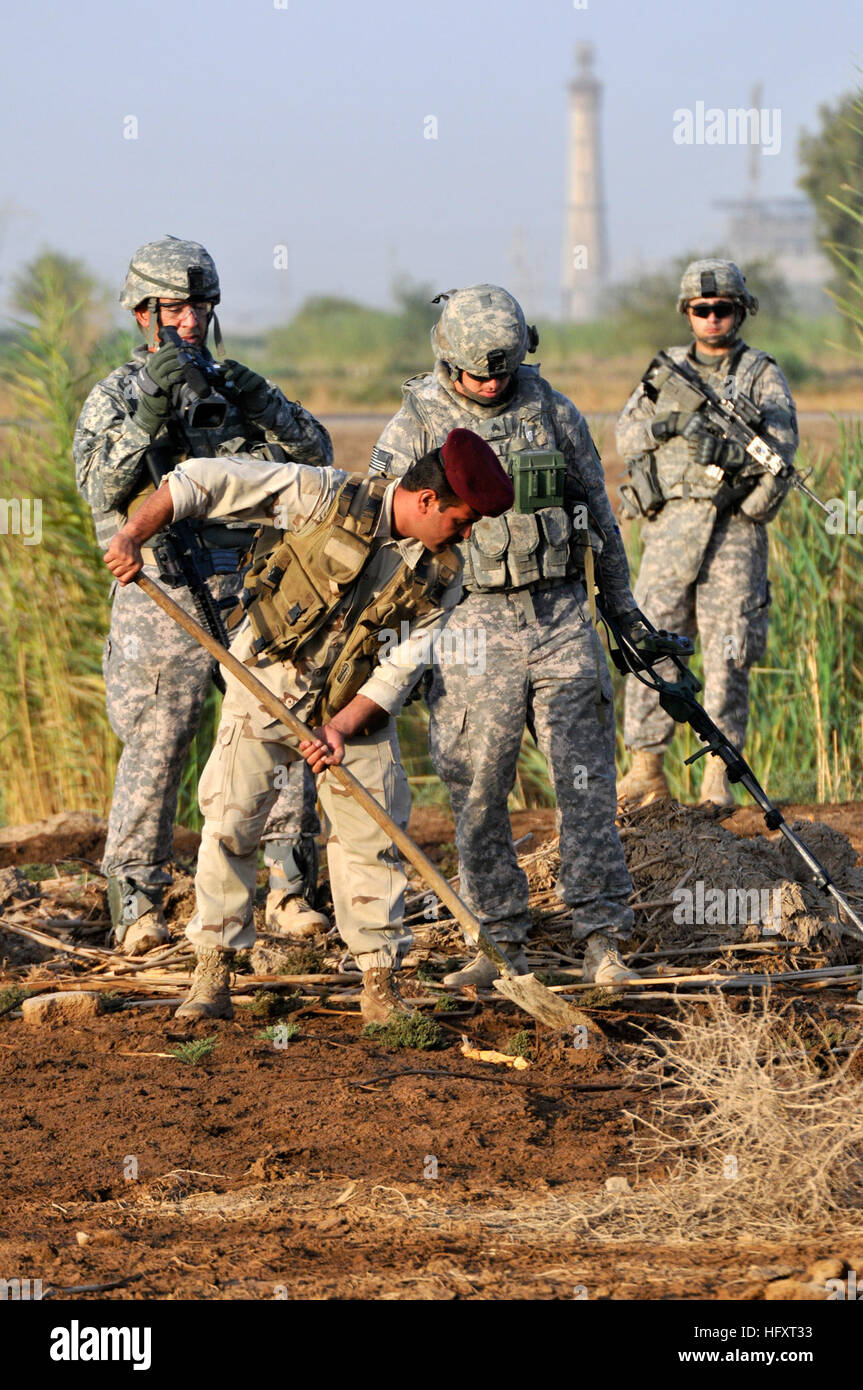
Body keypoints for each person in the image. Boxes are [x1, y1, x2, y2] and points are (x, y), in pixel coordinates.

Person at [102, 428, 515, 1023]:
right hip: (266, 685)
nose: (468, 534)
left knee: (373, 840)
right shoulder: (321, 495)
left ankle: (380, 987)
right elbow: (198, 481)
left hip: (353, 707)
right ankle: (212, 974)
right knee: (231, 824)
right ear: (427, 501)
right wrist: (132, 535)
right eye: (463, 519)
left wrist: (342, 728)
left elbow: (403, 664)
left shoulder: (444, 570)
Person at [371, 284, 648, 990]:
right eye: (477, 372)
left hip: (558, 617)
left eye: (503, 368)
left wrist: (619, 607)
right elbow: (382, 521)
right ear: (446, 358)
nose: (491, 382)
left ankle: (602, 937)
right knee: (478, 788)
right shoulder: (416, 421)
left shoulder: (550, 407)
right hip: (470, 625)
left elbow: (599, 512)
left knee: (585, 784)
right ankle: (496, 944)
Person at [74, 237, 333, 955]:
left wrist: (262, 400)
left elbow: (317, 461)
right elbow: (98, 490)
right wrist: (149, 415)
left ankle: (287, 887)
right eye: (175, 307)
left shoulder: (233, 389)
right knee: (158, 742)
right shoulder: (117, 397)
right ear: (142, 313)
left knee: (278, 727)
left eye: (201, 306)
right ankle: (137, 901)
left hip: (249, 584)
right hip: (161, 591)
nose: (190, 321)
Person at [615, 259, 799, 807]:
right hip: (670, 529)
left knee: (727, 652)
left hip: (732, 530)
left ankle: (720, 776)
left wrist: (745, 490)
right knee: (651, 644)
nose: (712, 318)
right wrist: (670, 424)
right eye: (702, 309)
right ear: (686, 313)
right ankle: (645, 768)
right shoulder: (664, 371)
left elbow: (781, 454)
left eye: (722, 309)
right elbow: (627, 435)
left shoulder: (761, 374)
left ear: (739, 311)